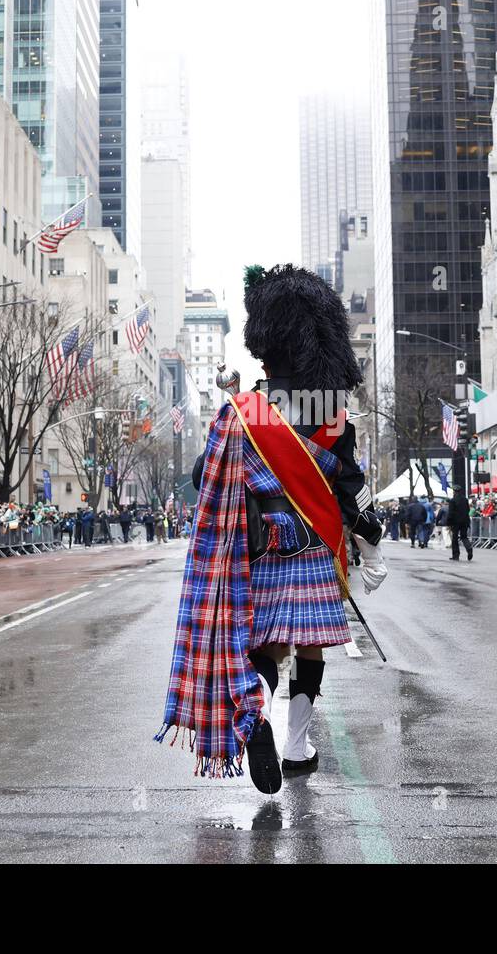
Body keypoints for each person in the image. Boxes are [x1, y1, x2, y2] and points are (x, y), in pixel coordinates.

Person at [157, 264, 388, 794]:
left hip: (260, 547)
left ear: (266, 342)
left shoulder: (244, 412)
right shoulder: (333, 417)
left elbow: (201, 476)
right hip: (313, 547)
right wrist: (367, 540)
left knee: (268, 647)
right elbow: (347, 492)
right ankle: (298, 744)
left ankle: (254, 713)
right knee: (310, 646)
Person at [447, 484, 473, 561]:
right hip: (465, 521)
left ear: (454, 491)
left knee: (454, 538)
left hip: (455, 522)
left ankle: (456, 555)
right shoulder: (465, 499)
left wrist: (449, 523)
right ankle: (469, 548)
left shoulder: (452, 500)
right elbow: (468, 510)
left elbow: (450, 513)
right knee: (464, 537)